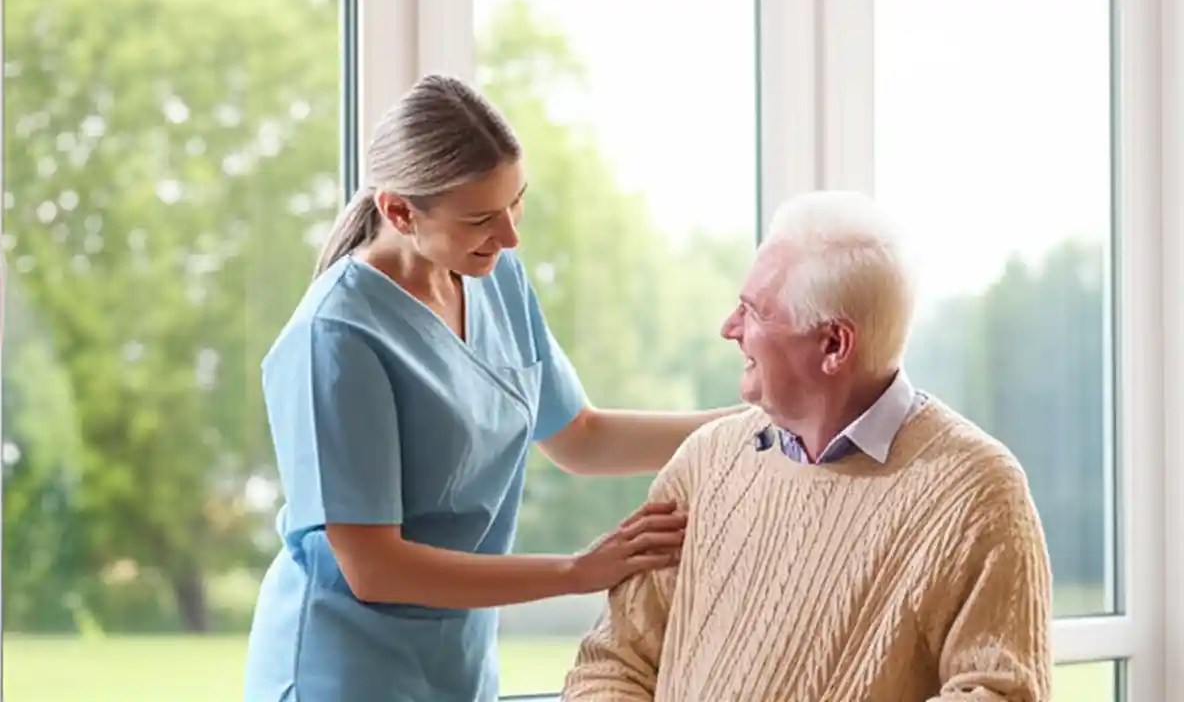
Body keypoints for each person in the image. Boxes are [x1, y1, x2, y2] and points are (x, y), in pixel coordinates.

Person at [241, 74, 746, 702]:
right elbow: (373, 567)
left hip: (456, 663)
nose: (510, 236)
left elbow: (581, 437)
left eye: (516, 204)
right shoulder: (335, 338)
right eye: (481, 218)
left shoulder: (492, 275)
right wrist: (578, 571)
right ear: (399, 211)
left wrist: (753, 422)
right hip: (344, 670)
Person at [562, 190, 1053, 701]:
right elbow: (611, 666)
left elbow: (1001, 692)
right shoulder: (703, 464)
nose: (729, 328)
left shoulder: (977, 490)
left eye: (754, 312)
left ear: (834, 345)